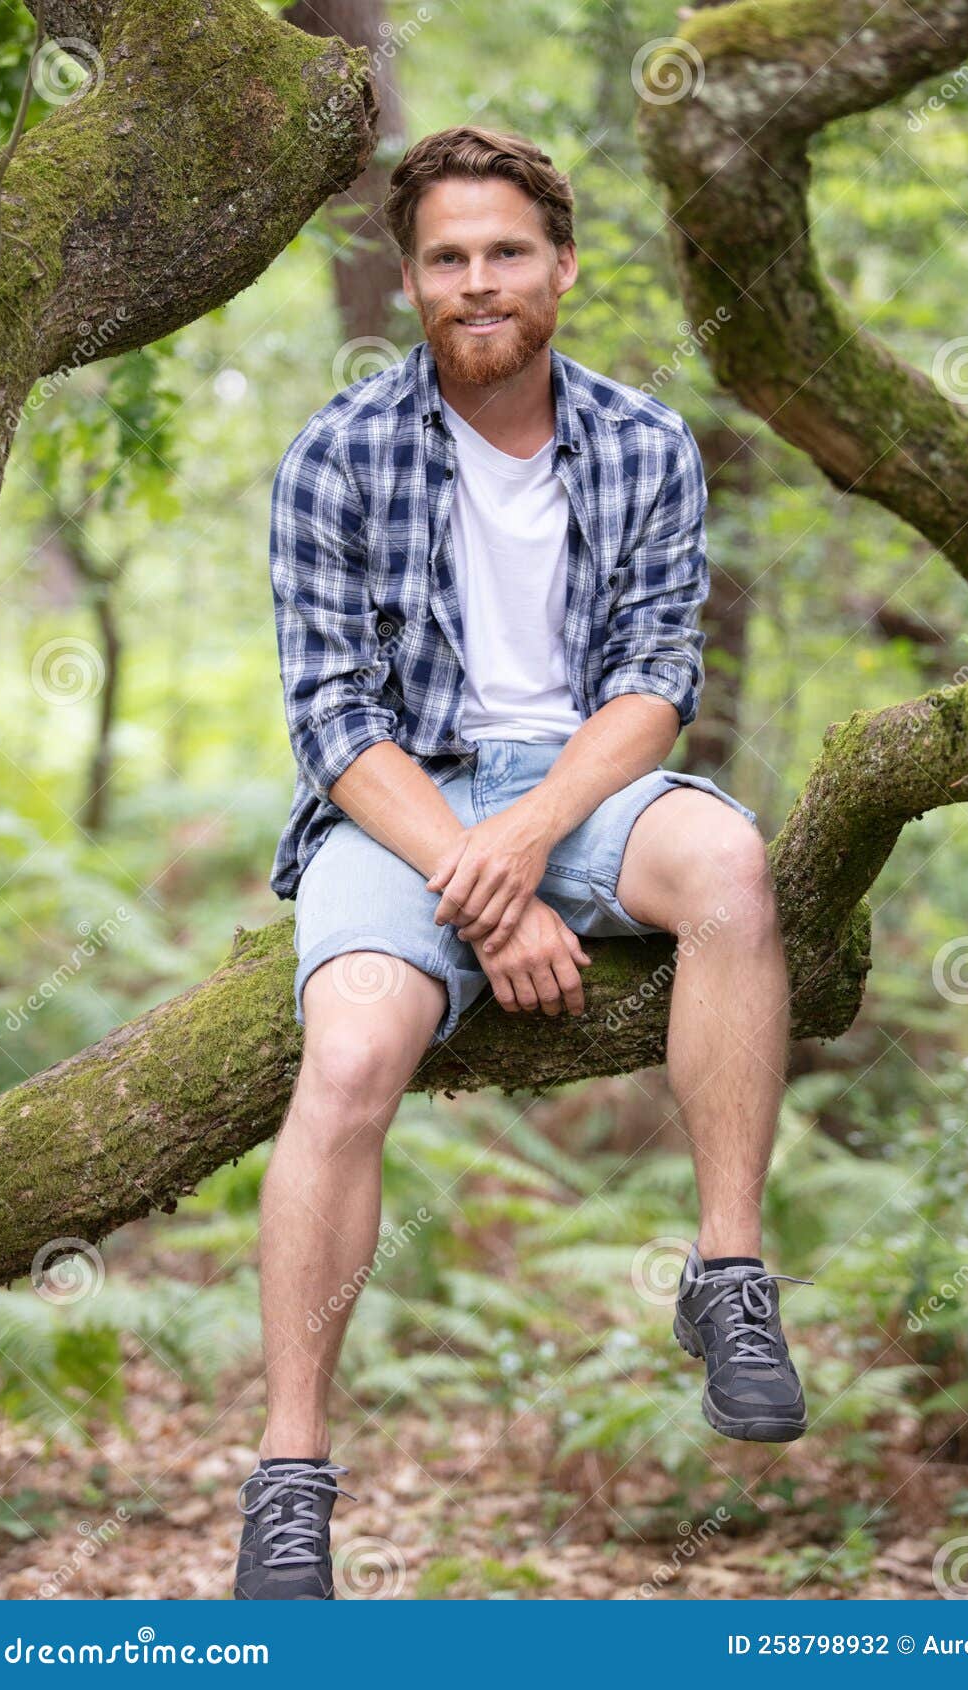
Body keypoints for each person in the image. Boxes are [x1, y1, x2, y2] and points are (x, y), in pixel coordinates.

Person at [233, 125, 808, 1602]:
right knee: (352, 1053)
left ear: (560, 265)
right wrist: (484, 897)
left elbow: (656, 681)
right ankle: (291, 1477)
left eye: (503, 252)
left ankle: (729, 1280)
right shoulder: (337, 456)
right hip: (394, 808)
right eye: (444, 258)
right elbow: (335, 726)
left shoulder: (640, 442)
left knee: (734, 868)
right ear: (412, 280)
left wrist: (535, 835)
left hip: (586, 786)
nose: (475, 282)